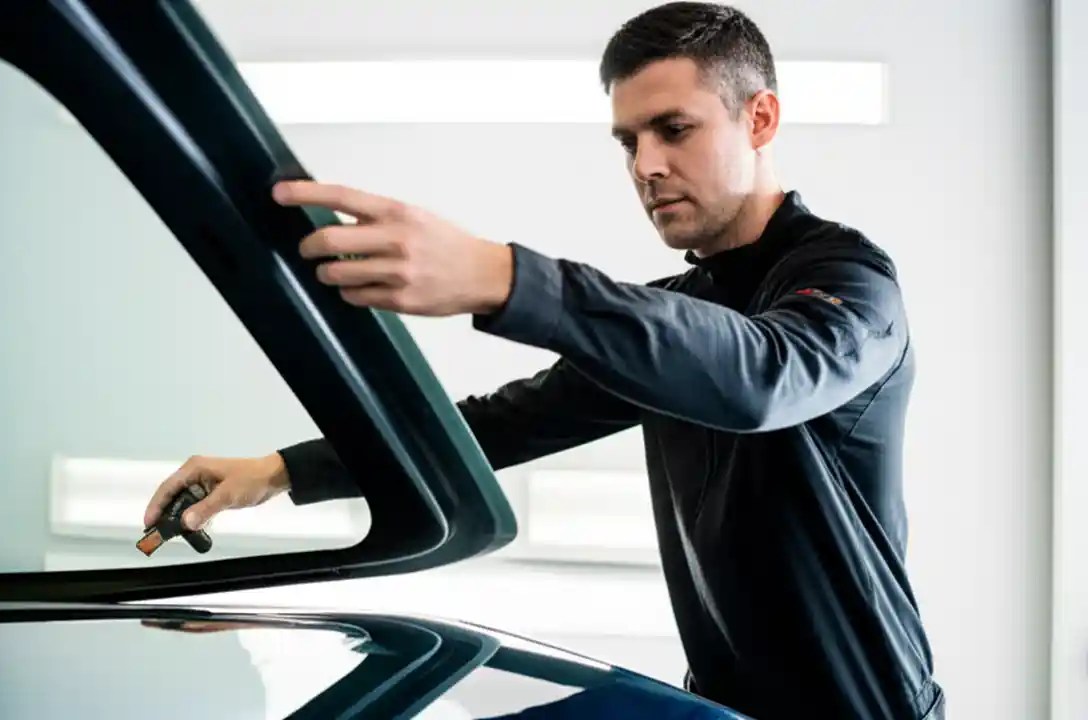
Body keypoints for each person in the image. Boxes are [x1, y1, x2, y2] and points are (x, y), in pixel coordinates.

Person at [143, 3, 944, 718]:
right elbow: (499, 426)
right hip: (719, 708)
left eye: (674, 129)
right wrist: (282, 470)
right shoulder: (675, 312)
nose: (645, 165)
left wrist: (501, 276)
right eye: (628, 141)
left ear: (759, 118)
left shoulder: (850, 279)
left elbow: (764, 377)